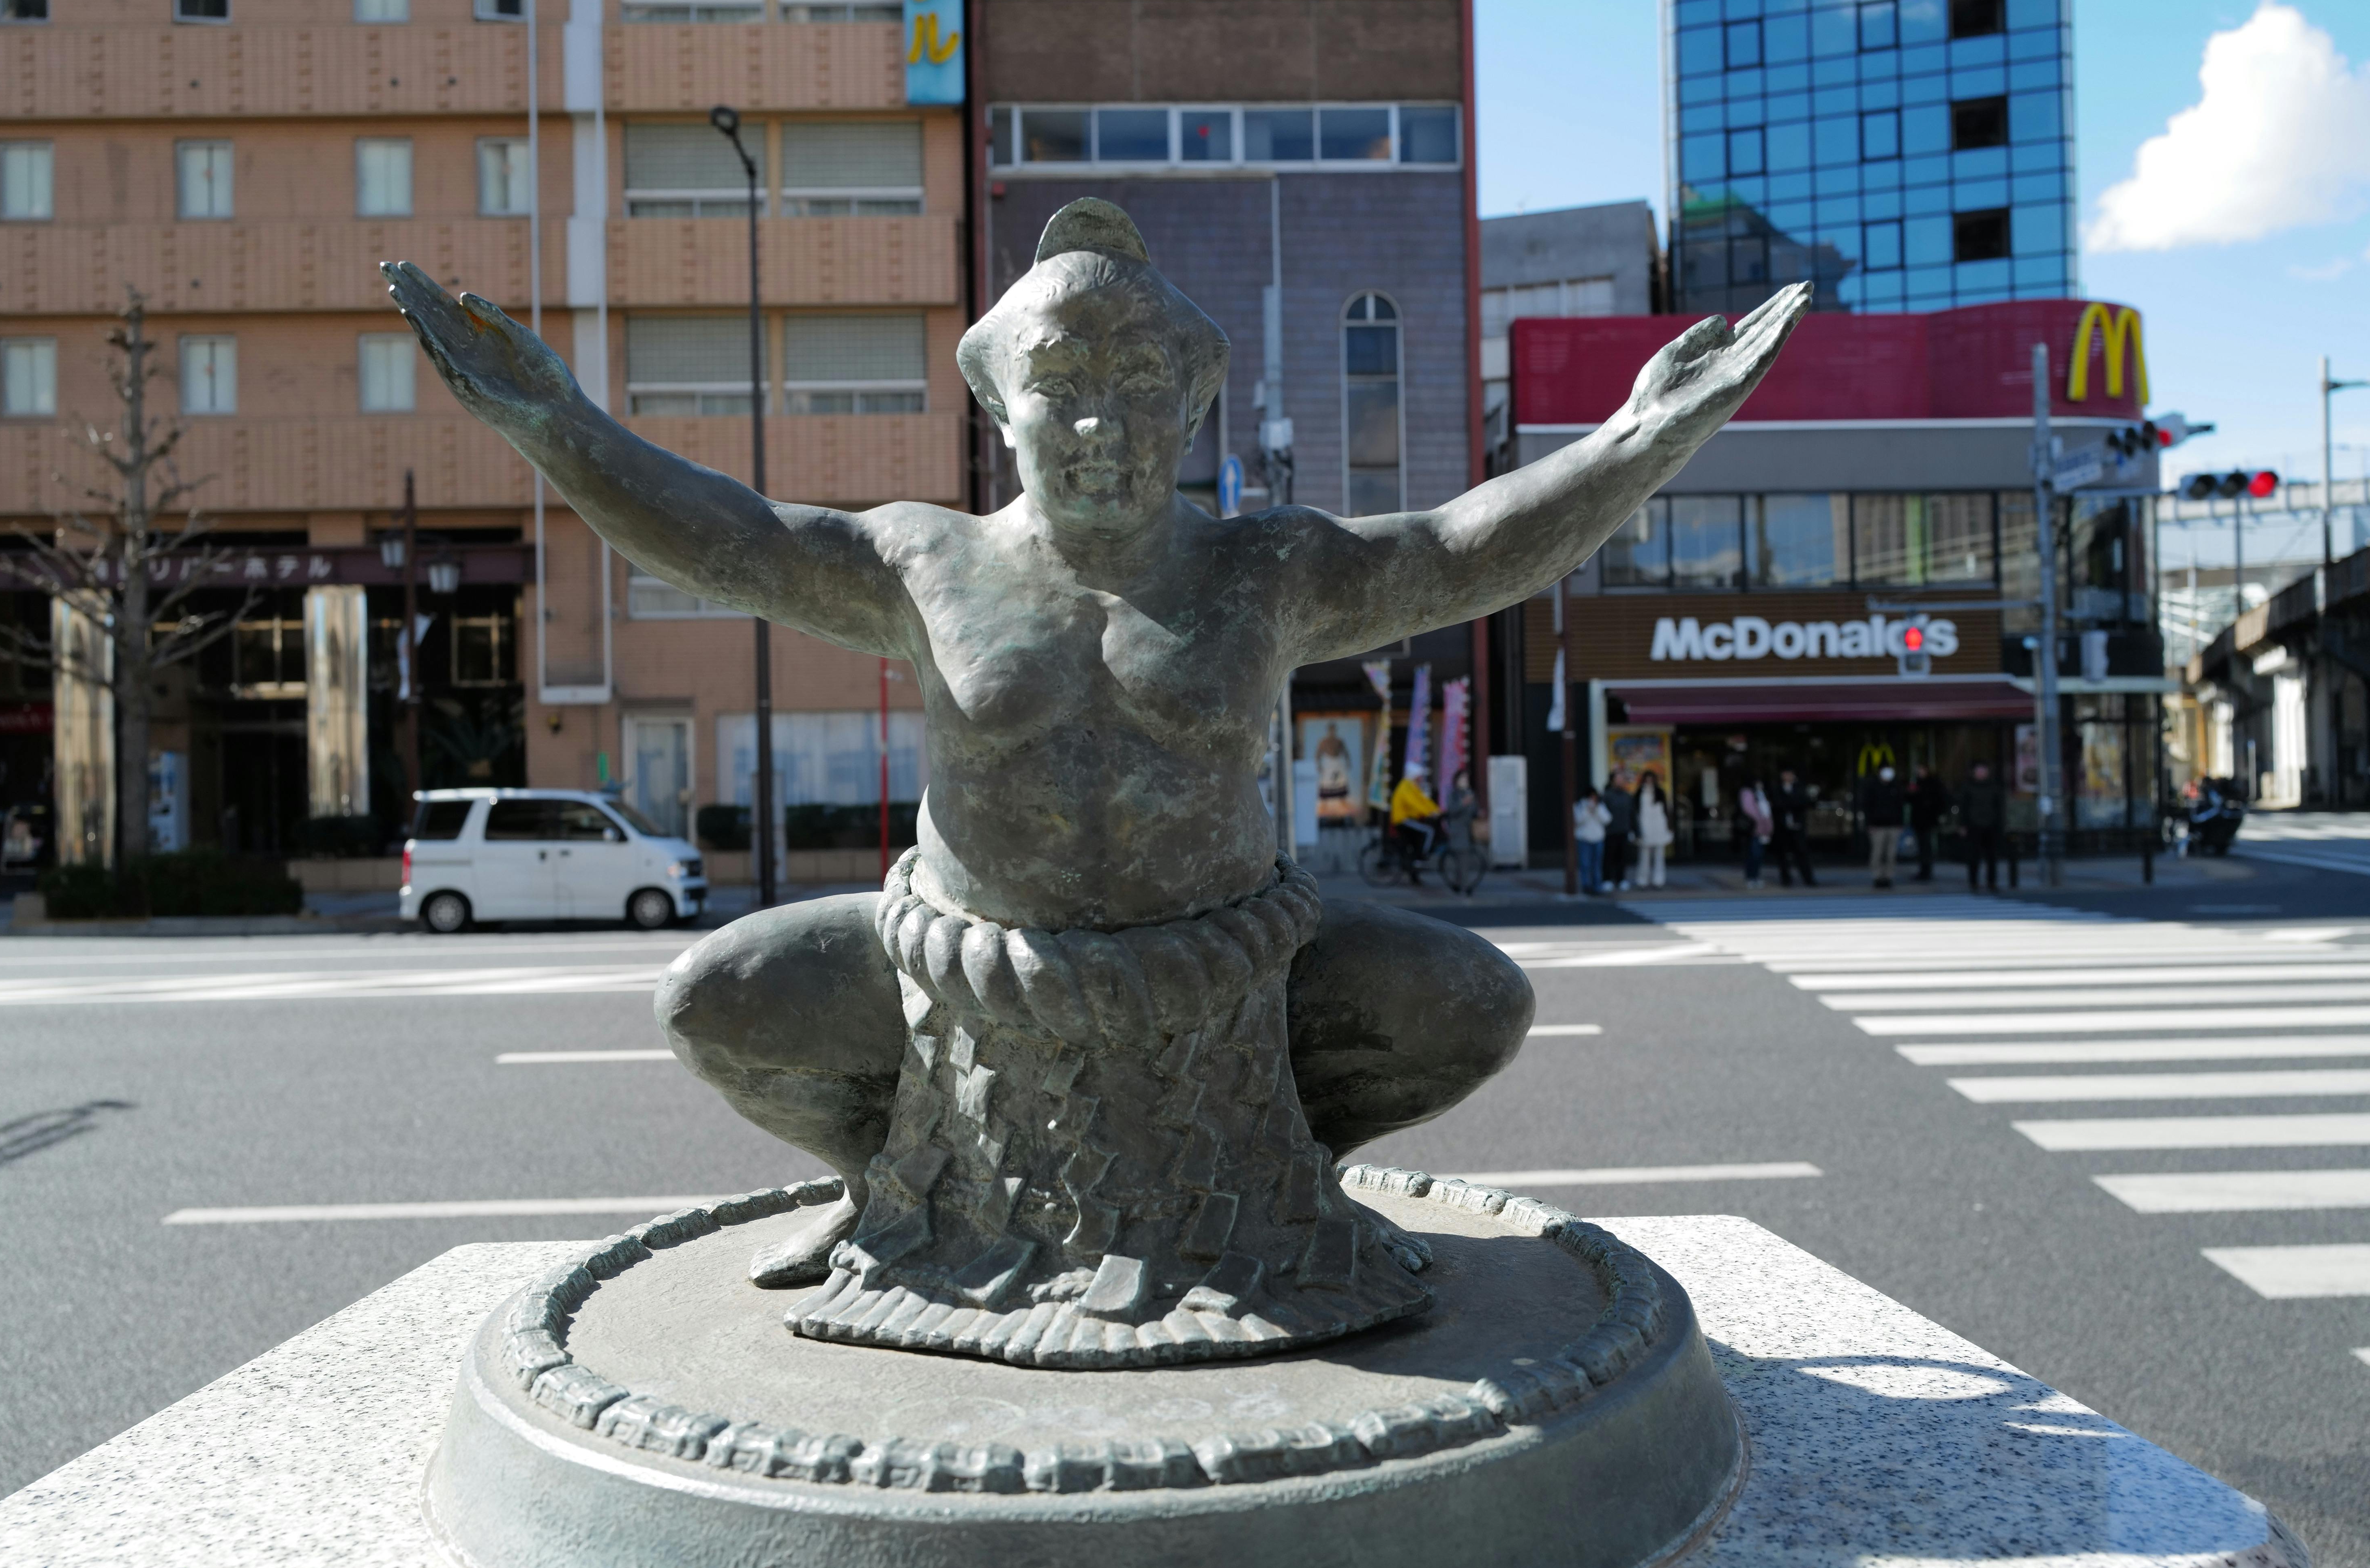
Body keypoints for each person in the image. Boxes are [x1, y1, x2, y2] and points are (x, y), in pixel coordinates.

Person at [379, 199, 1810, 1287]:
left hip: (1231, 969)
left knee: (1470, 1003)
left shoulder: (1267, 565)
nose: (1102, 422)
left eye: (1141, 389)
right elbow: (735, 535)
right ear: (998, 404)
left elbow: (1452, 547)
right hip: (967, 972)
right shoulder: (920, 560)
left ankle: (1296, 1173)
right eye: (1065, 384)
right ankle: (886, 1180)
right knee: (713, 1000)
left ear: (1192, 406)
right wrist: (554, 423)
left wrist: (1638, 442)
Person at [1959, 760, 2008, 892]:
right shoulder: (1968, 787)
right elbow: (1963, 807)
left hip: (1991, 825)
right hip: (1973, 825)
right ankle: (1974, 882)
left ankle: (1992, 882)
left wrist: (2001, 824)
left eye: (1983, 771)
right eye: (1979, 771)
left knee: (1992, 856)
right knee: (1974, 856)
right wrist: (1963, 825)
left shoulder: (1994, 787)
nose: (1981, 773)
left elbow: (2000, 807)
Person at [1388, 766, 1442, 883]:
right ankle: (1421, 857)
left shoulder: (1412, 786)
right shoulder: (1406, 786)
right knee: (1429, 831)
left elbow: (1423, 800)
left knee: (1416, 843)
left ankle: (1414, 873)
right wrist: (1430, 812)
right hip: (1402, 820)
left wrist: (1437, 810)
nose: (1421, 779)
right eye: (1419, 777)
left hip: (1409, 819)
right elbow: (1414, 803)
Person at [1859, 763, 1905, 889]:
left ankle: (1889, 877)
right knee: (1877, 853)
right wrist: (1869, 824)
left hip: (1893, 826)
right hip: (1877, 826)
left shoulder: (1896, 786)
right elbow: (1867, 806)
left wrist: (1900, 823)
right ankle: (1877, 877)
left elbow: (1900, 806)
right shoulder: (1872, 786)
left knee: (1891, 854)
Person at [1770, 768, 1817, 887]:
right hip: (1782, 827)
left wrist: (1790, 804)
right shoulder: (1777, 789)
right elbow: (1777, 805)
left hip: (1798, 827)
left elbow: (1804, 803)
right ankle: (1786, 879)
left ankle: (1808, 878)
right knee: (1783, 855)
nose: (1788, 777)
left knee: (1802, 853)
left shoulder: (1799, 788)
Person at [1906, 762, 1949, 883]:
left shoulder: (1934, 784)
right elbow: (1910, 800)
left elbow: (1941, 801)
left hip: (1929, 819)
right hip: (1919, 820)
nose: (1920, 772)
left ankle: (1927, 870)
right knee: (1922, 846)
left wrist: (1938, 815)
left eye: (1922, 770)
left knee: (1927, 846)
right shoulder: (1917, 783)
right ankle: (1924, 870)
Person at [1633, 771, 1671, 889]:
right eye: (1647, 780)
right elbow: (1636, 812)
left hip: (1659, 827)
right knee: (1644, 856)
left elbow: (1666, 811)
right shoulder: (1639, 793)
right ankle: (1642, 880)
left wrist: (1668, 827)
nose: (1649, 782)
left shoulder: (1660, 792)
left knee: (1659, 856)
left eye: (1651, 780)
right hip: (1644, 827)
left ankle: (1659, 880)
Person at [1600, 767, 1636, 893]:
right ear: (1613, 781)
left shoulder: (1627, 796)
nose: (1621, 781)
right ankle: (1607, 880)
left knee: (1622, 857)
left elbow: (1632, 814)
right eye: (1619, 779)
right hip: (1610, 831)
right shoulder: (1607, 795)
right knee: (1609, 857)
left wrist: (1635, 830)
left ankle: (1621, 880)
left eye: (1623, 779)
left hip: (1624, 830)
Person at [1735, 771, 1772, 889]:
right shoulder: (1747, 793)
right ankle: (1751, 877)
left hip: (1763, 830)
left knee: (1759, 855)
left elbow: (1767, 812)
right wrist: (1760, 822)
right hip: (1753, 829)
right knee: (1754, 854)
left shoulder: (1761, 794)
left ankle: (1755, 876)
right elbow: (1749, 810)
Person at [1573, 787, 1611, 895]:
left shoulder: (1600, 806)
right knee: (1585, 864)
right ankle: (1586, 885)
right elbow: (1578, 820)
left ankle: (1597, 886)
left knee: (1597, 864)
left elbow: (1607, 820)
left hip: (1598, 839)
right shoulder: (1580, 805)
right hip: (1584, 839)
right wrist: (1587, 811)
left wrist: (1597, 810)